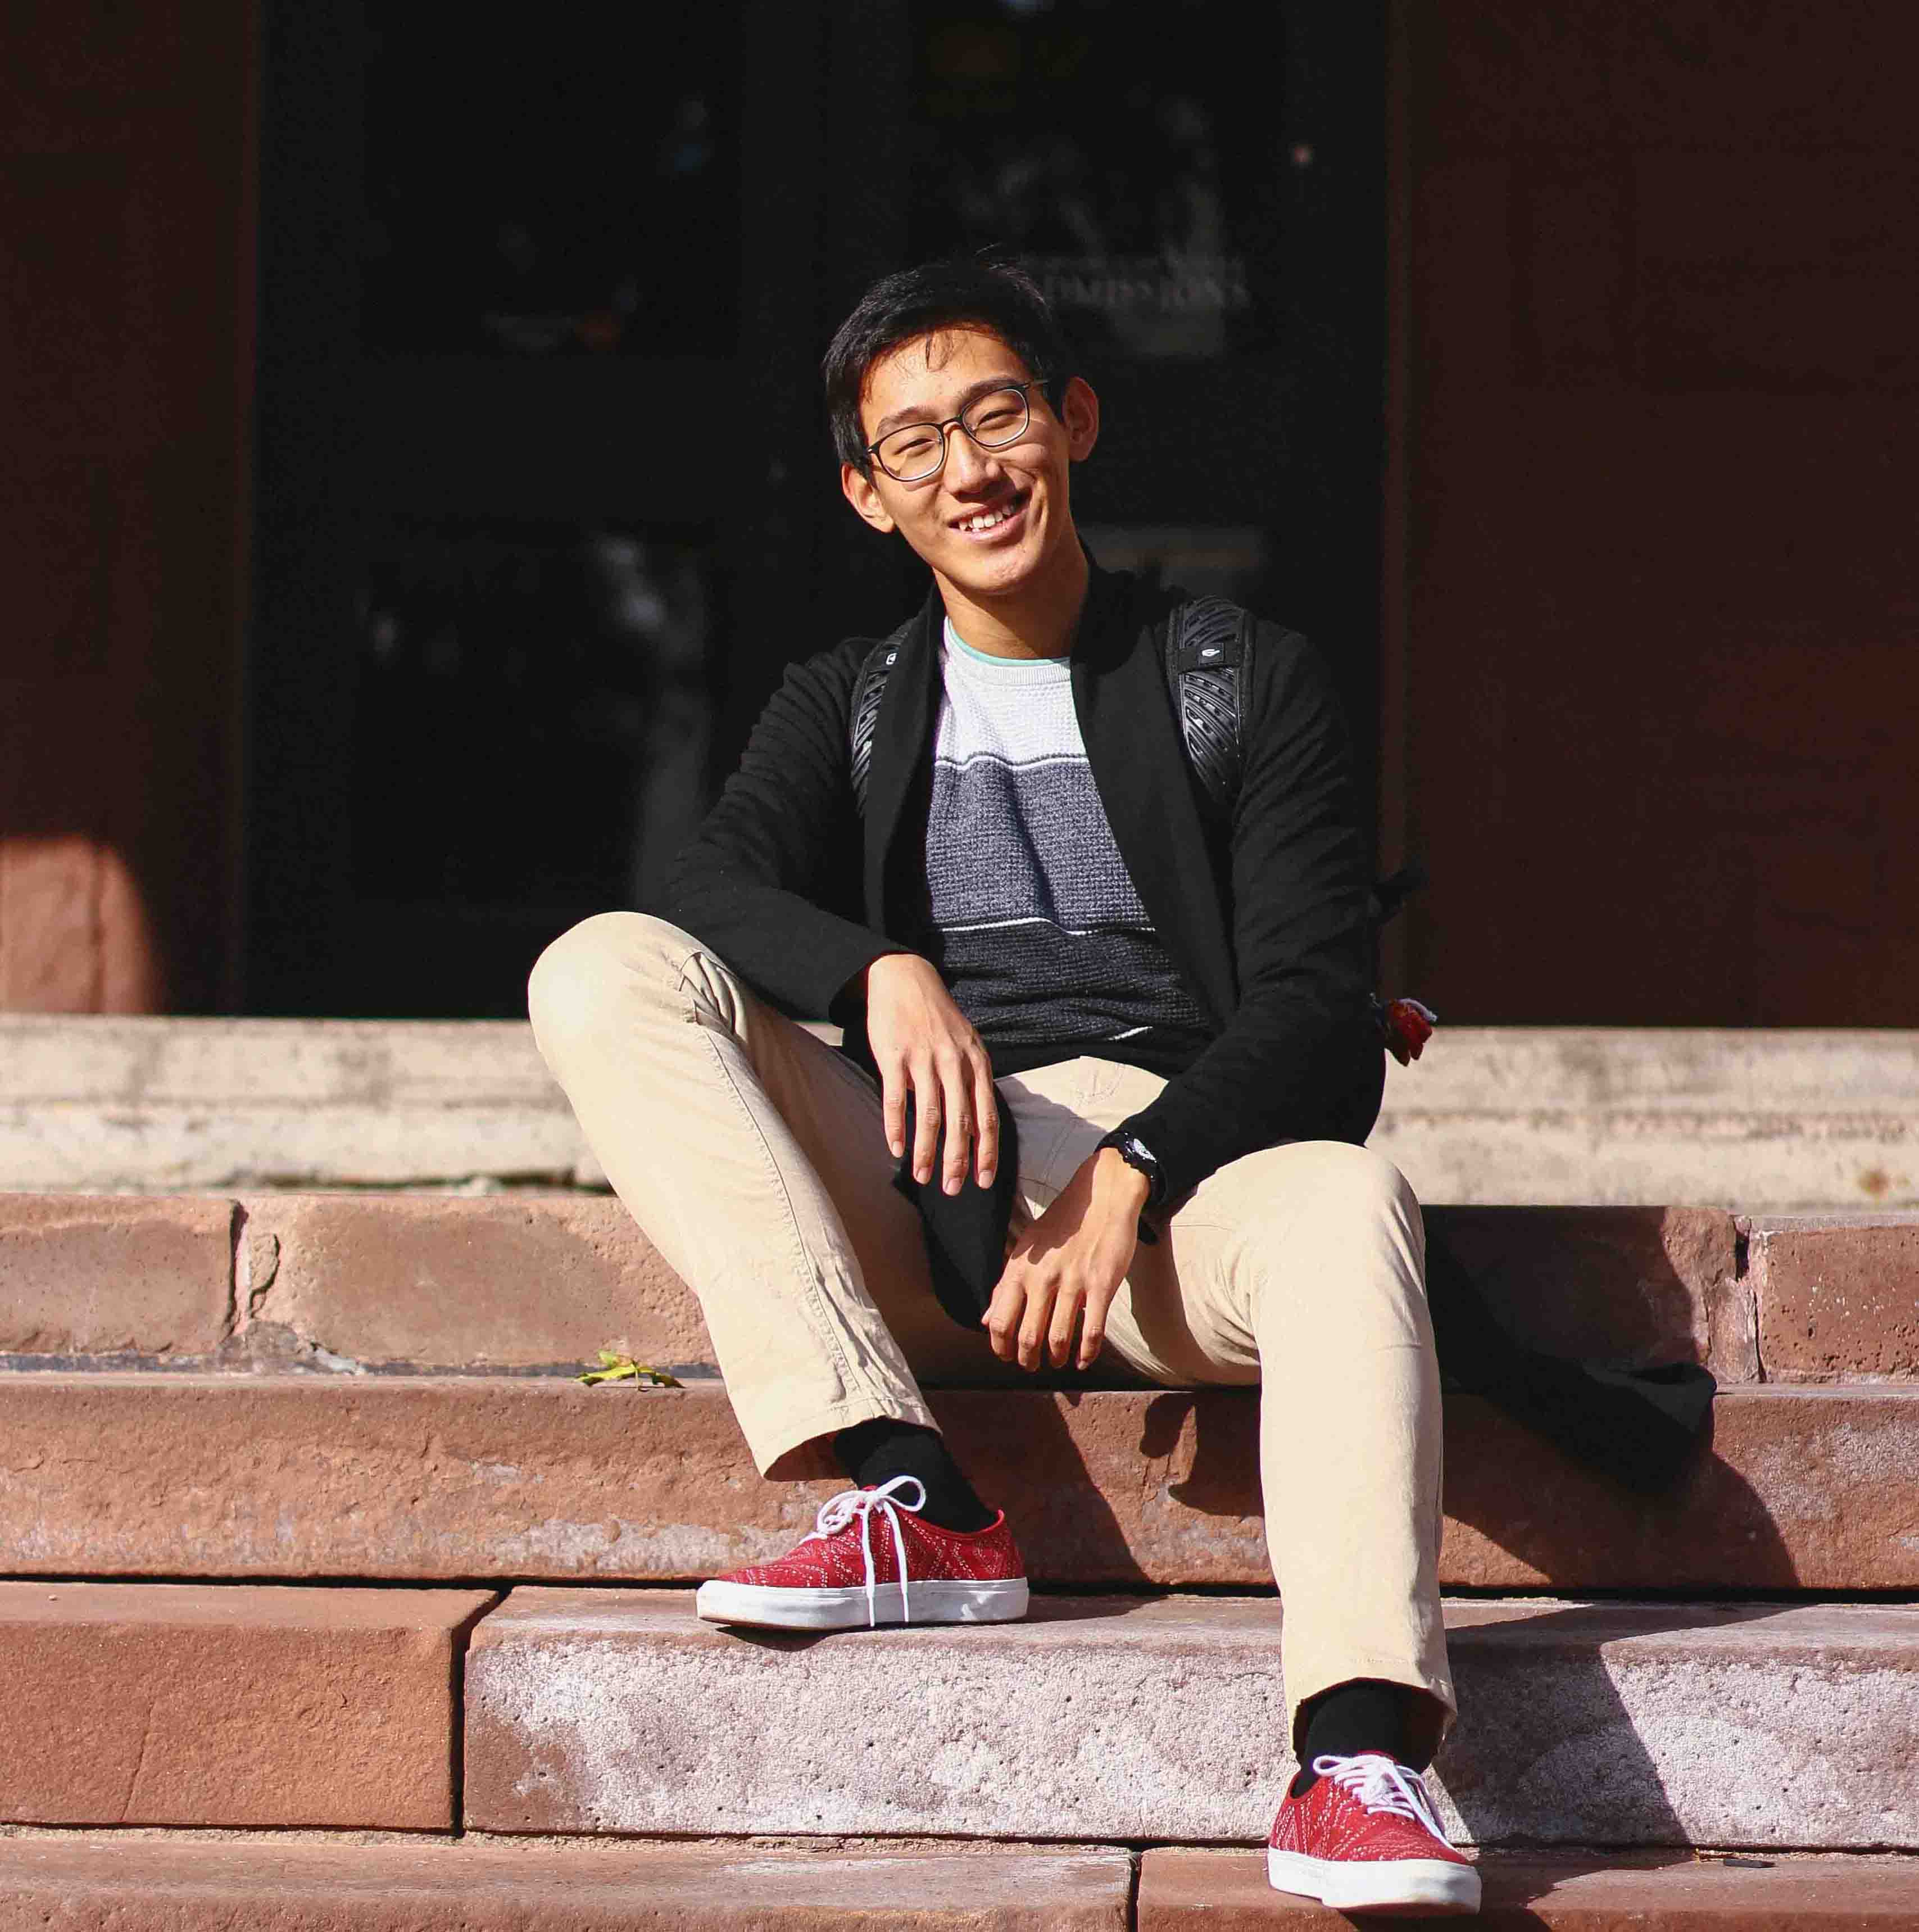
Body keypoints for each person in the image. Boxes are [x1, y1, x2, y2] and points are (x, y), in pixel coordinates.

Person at [527, 253, 1479, 1917]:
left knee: (1349, 1200)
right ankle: (908, 1492)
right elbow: (705, 888)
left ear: (1073, 422)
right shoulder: (852, 702)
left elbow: (1318, 1003)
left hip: (1180, 1215)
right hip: (935, 1193)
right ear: (868, 495)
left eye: (998, 416)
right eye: (915, 447)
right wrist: (876, 972)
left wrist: (1135, 1177)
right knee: (599, 967)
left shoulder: (1238, 676)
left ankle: (1356, 1754)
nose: (969, 470)